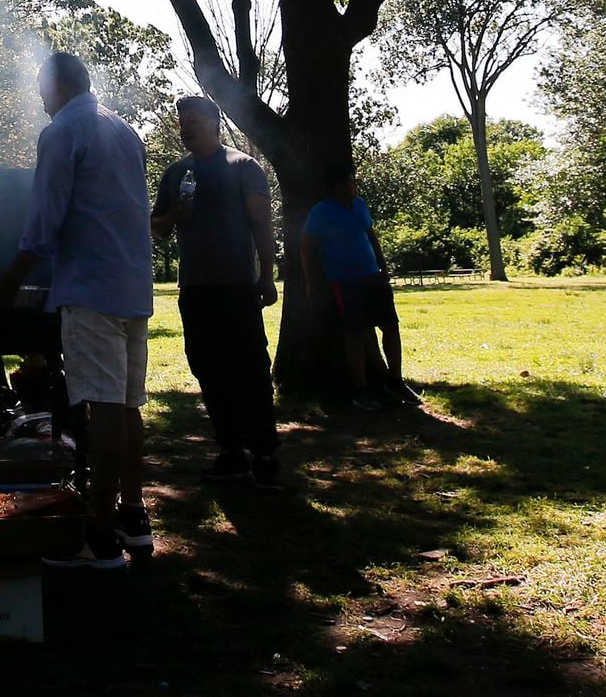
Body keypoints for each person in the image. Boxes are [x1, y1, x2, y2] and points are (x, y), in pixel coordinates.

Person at [0, 52, 154, 571]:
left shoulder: (62, 131)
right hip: (132, 286)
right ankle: (133, 515)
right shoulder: (124, 130)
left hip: (91, 291)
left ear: (60, 85)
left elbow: (44, 219)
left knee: (104, 408)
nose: (39, 97)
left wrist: (9, 279)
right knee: (127, 406)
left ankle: (98, 538)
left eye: (41, 86)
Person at [152, 95, 281, 489]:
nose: (184, 127)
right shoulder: (176, 173)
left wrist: (266, 275)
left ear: (213, 121)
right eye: (181, 122)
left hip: (237, 285)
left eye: (192, 120)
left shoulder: (243, 166)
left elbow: (262, 224)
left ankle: (264, 454)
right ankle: (230, 452)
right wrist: (176, 215)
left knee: (250, 369)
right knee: (207, 367)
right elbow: (157, 227)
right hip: (195, 287)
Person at [301, 162, 422, 409]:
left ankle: (396, 381)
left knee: (390, 326)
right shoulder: (320, 213)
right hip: (343, 281)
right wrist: (312, 282)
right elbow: (306, 246)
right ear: (338, 186)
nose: (354, 185)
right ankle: (362, 390)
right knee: (355, 332)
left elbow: (370, 234)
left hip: (373, 277)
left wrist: (383, 265)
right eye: (350, 181)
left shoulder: (360, 205)